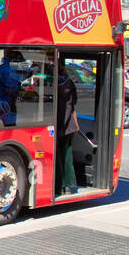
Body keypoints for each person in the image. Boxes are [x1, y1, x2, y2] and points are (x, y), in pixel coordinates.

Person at [57, 65, 79, 195]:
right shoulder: (69, 83)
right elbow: (74, 101)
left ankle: (59, 185)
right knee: (67, 155)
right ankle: (69, 185)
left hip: (56, 123)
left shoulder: (52, 83)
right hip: (68, 124)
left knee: (57, 156)